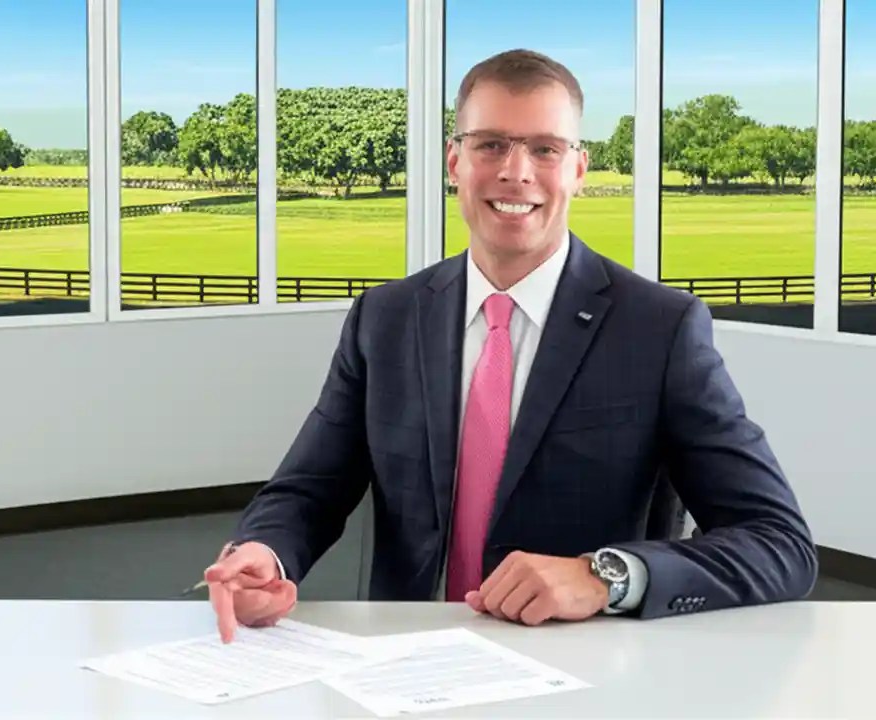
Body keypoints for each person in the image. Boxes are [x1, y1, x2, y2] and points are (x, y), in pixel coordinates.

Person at [203, 48, 817, 642]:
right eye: (490, 143)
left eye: (545, 149)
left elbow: (778, 542)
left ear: (578, 168)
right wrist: (265, 554)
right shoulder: (385, 318)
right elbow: (308, 487)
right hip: (404, 666)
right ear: (454, 161)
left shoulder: (660, 328)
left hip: (584, 669)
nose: (515, 171)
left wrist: (604, 576)